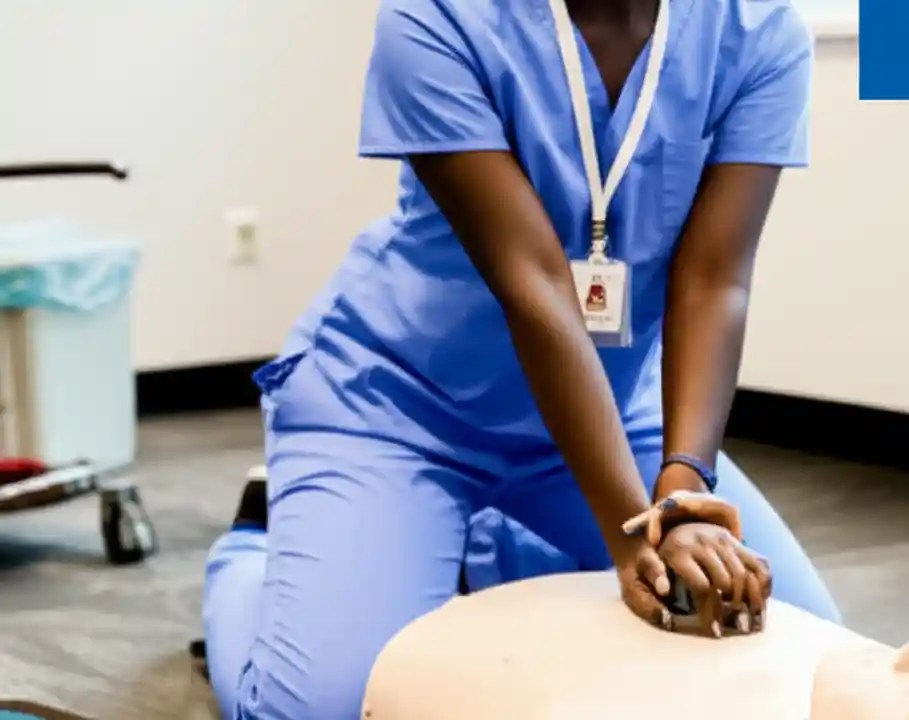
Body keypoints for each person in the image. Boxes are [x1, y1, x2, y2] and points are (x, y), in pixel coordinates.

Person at [201, 0, 840, 717]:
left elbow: (714, 279)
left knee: (801, 652)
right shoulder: (439, 17)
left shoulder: (758, 31)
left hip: (609, 413)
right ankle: (252, 553)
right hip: (396, 409)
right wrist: (632, 530)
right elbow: (531, 278)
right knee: (323, 709)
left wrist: (682, 491)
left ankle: (483, 546)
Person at [360, 570, 909, 720]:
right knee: (318, 695)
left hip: (631, 405)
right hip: (407, 397)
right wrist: (645, 523)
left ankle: (498, 543)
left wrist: (683, 479)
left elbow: (717, 284)